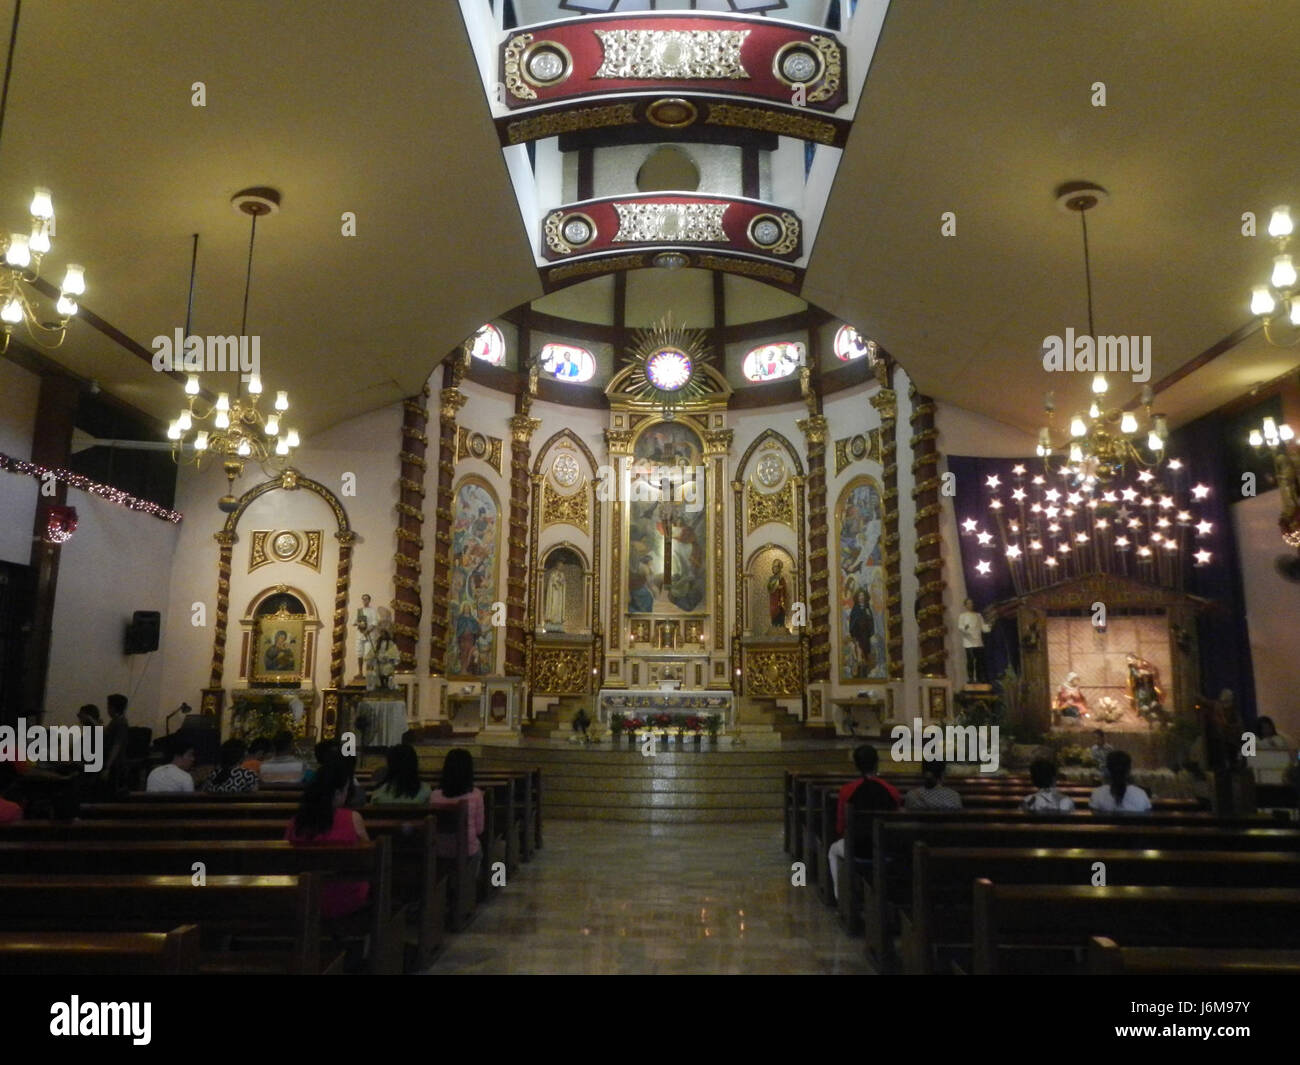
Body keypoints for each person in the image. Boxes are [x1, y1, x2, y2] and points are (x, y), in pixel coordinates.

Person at [284, 759, 370, 919]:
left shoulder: (296, 821)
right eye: (345, 791)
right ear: (337, 793)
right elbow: (367, 857)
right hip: (345, 897)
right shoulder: (352, 818)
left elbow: (287, 860)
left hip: (305, 896)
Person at [827, 745, 901, 899]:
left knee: (833, 851)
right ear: (876, 763)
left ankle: (840, 898)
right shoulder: (891, 790)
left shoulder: (847, 790)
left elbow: (841, 827)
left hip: (857, 848)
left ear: (856, 765)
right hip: (886, 848)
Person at [431, 748, 486, 885]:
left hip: (439, 851)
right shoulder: (476, 795)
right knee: (486, 852)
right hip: (466, 852)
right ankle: (491, 883)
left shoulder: (434, 796)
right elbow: (480, 830)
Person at [956, 598, 993, 684]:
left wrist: (989, 626)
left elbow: (983, 627)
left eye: (971, 603)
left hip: (978, 642)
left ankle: (980, 678)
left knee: (979, 661)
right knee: (970, 661)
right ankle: (971, 678)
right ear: (965, 605)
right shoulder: (963, 616)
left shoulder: (978, 615)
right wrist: (965, 629)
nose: (970, 605)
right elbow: (961, 627)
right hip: (968, 642)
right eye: (968, 603)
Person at [101, 693, 130, 794]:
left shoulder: (120, 722)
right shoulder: (117, 721)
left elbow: (116, 746)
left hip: (116, 764)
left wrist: (107, 766)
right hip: (114, 763)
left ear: (112, 708)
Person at [848, 589, 875, 676]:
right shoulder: (855, 609)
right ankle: (859, 670)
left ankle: (866, 669)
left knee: (866, 651)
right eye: (860, 596)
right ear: (857, 597)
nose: (861, 597)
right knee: (859, 652)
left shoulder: (867, 608)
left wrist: (869, 628)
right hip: (858, 634)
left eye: (863, 595)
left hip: (866, 635)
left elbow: (871, 621)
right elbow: (853, 621)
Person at [767, 559, 789, 631]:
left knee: (780, 611)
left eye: (776, 567)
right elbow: (769, 588)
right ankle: (774, 626)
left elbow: (784, 588)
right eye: (773, 567)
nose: (774, 569)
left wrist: (781, 588)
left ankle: (780, 626)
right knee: (773, 611)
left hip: (780, 598)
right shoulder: (771, 578)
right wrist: (776, 587)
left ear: (779, 569)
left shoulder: (781, 578)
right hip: (773, 599)